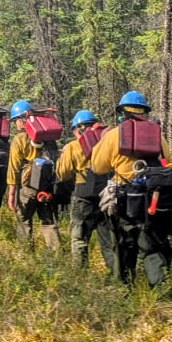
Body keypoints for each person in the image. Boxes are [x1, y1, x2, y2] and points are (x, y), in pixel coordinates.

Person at [88, 91, 172, 287]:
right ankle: (160, 289)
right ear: (144, 113)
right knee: (152, 245)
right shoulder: (158, 136)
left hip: (125, 199)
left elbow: (98, 167)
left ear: (123, 113)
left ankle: (125, 288)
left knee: (123, 244)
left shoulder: (114, 135)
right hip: (154, 198)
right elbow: (168, 163)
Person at [59, 110, 116, 275]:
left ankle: (80, 275)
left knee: (79, 238)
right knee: (108, 241)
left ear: (77, 129)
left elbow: (62, 174)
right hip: (106, 196)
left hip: (83, 197)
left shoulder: (72, 147)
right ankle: (116, 275)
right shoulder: (107, 143)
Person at [5, 99, 64, 250]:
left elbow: (14, 168)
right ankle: (57, 253)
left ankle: (26, 254)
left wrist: (11, 194)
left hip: (27, 188)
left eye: (16, 120)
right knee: (48, 220)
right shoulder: (48, 138)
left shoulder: (19, 140)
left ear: (21, 120)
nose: (16, 124)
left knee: (24, 219)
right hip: (47, 185)